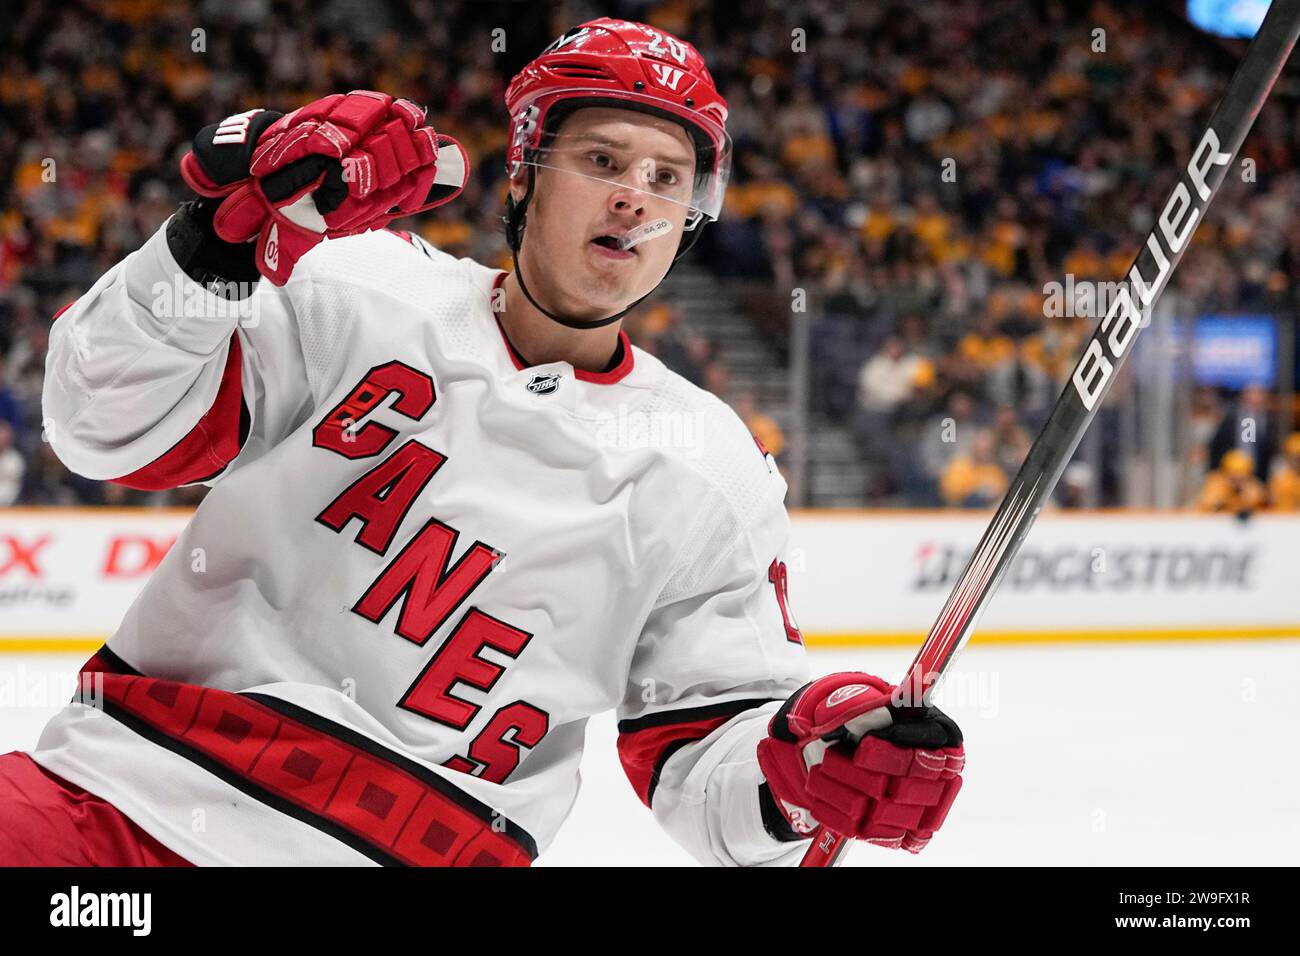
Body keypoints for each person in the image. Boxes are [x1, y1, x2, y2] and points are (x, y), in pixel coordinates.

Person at [9, 18, 963, 867]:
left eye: (667, 178)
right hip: (119, 800)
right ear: (526, 171)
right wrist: (212, 248)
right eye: (601, 160)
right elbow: (102, 428)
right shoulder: (360, 284)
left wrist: (804, 771)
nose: (635, 196)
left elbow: (709, 776)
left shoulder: (709, 470)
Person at [1196, 449, 1268, 515]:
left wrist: (1244, 495)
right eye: (1233, 477)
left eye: (1241, 478)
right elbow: (1208, 504)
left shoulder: (1254, 487)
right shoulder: (1215, 483)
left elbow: (1261, 505)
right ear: (1225, 473)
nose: (1237, 481)